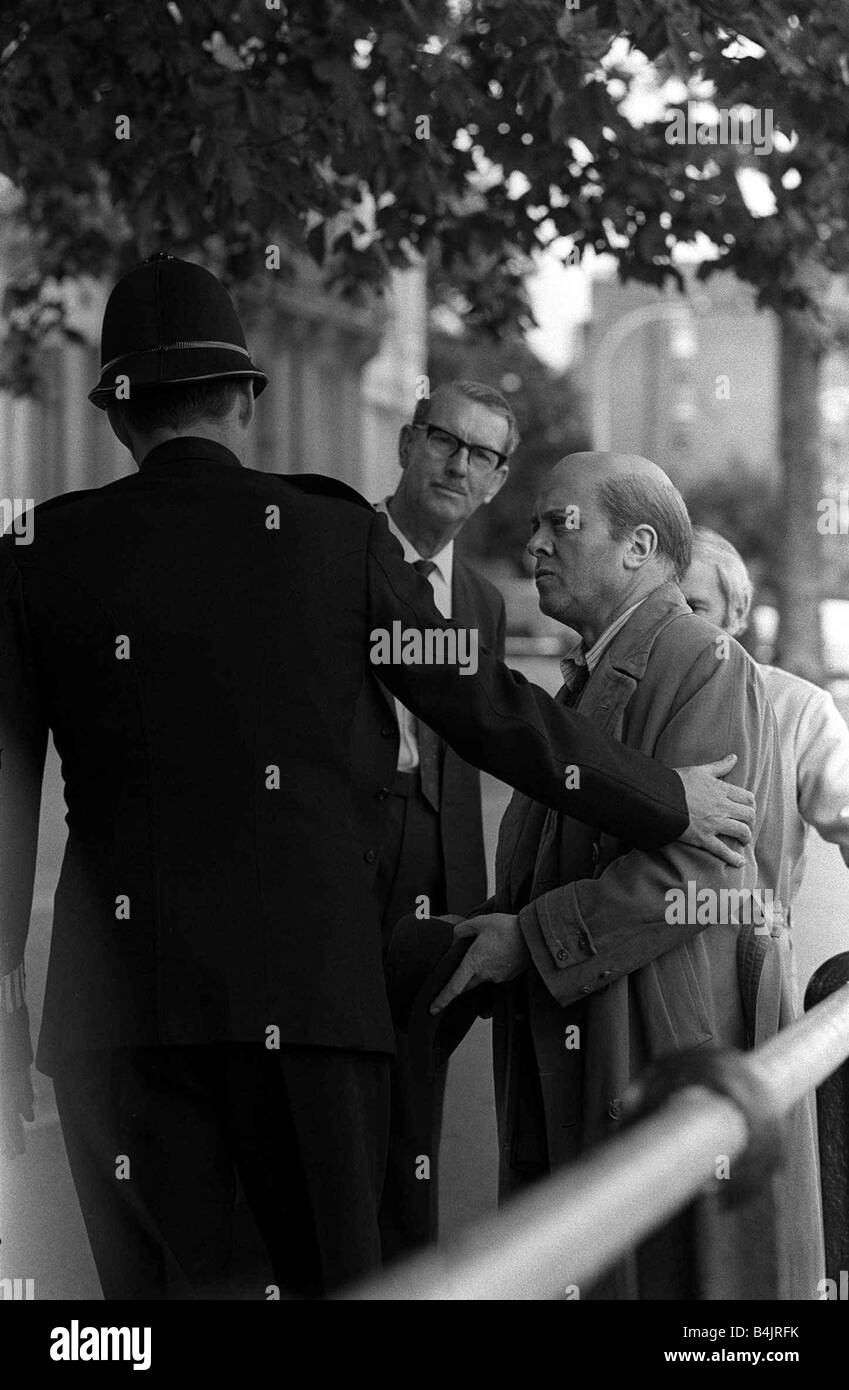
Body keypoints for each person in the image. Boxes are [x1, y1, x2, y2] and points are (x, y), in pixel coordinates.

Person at [0, 256, 755, 1300]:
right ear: (246, 401)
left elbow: (4, 791)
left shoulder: (39, 552)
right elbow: (488, 709)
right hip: (309, 1007)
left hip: (116, 1011)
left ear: (119, 412)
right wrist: (670, 797)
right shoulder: (334, 535)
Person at [431, 452, 823, 1300]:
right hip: (596, 1043)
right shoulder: (593, 672)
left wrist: (528, 940)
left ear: (639, 545)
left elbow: (702, 873)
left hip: (647, 1049)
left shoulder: (701, 663)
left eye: (558, 523)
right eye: (534, 524)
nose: (535, 542)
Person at [351, 379, 512, 1260]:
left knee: (414, 1113)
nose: (458, 464)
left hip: (437, 879)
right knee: (335, 1105)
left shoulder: (481, 604)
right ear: (407, 442)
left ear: (494, 482)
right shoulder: (340, 556)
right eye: (445, 440)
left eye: (482, 455)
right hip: (341, 868)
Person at [682, 525, 849, 924]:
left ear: (737, 612)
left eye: (694, 608)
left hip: (749, 964)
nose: (675, 625)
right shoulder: (604, 703)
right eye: (661, 607)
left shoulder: (798, 708)